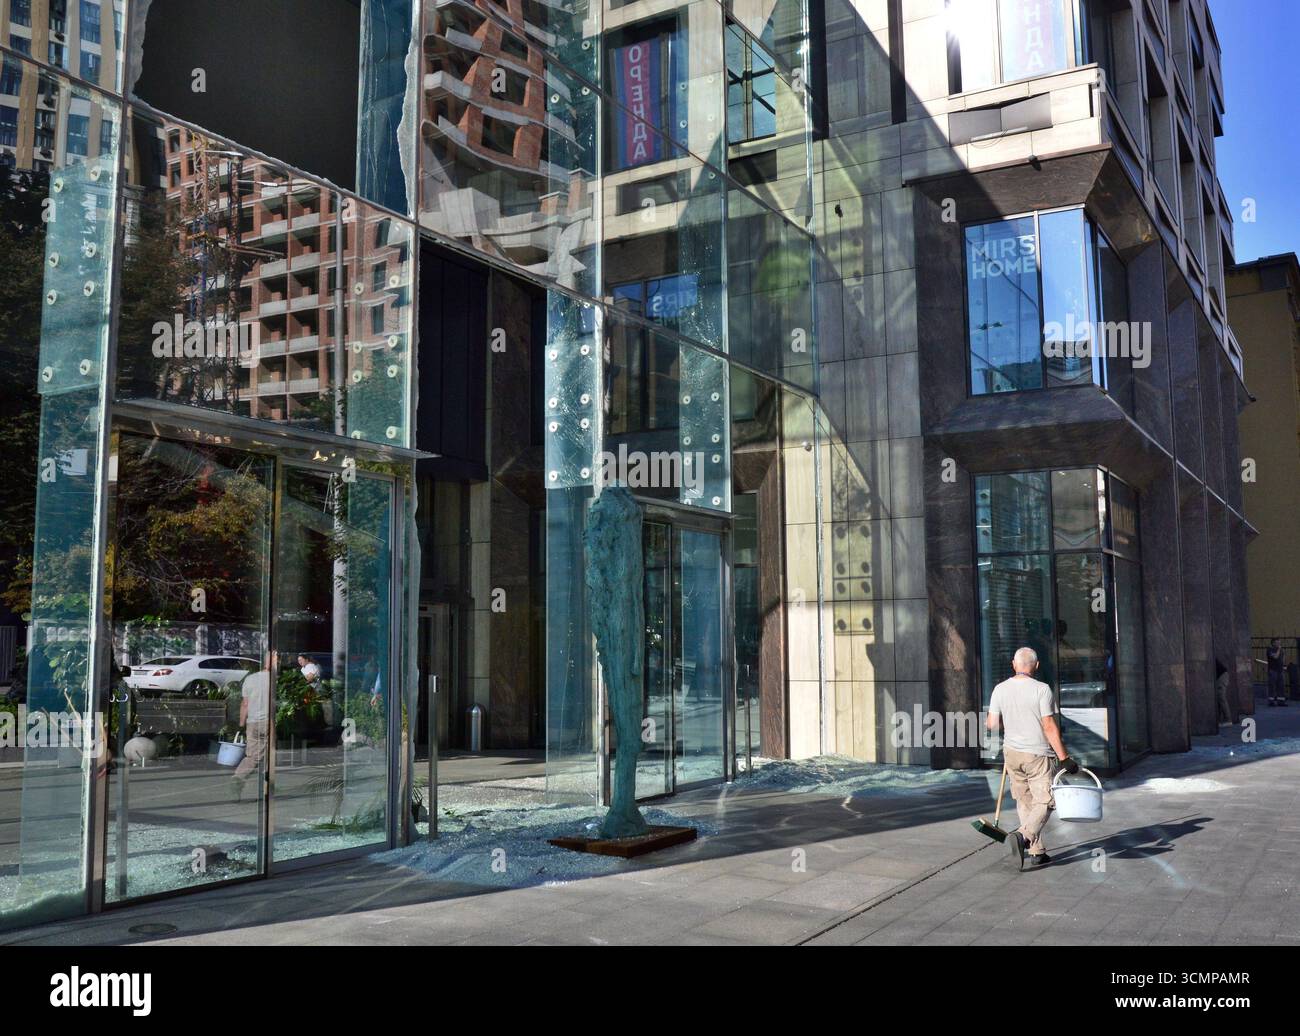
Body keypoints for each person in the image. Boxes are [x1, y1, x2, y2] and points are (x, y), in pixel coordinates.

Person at [985, 647, 1079, 871]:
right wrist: (1064, 758)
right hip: (1036, 754)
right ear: (1036, 666)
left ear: (1013, 664)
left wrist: (1012, 722)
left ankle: (1037, 851)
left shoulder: (1000, 689)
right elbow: (1049, 726)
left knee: (1025, 800)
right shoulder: (1041, 689)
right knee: (1046, 801)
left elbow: (991, 724)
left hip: (1011, 753)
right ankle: (1022, 836)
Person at [233, 653, 271, 800]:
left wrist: (242, 724)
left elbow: (245, 704)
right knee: (263, 757)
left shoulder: (250, 679)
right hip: (268, 722)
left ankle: (259, 788)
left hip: (252, 723)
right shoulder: (275, 680)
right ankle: (239, 778)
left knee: (255, 755)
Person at [1266, 639, 1287, 707]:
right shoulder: (1270, 650)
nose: (1279, 644)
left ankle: (1281, 701)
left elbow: (1282, 658)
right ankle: (1271, 701)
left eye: (1279, 643)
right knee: (1272, 686)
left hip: (1280, 670)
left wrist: (1284, 666)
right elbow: (1275, 657)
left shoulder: (1281, 650)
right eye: (1277, 643)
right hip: (1273, 670)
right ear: (1273, 643)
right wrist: (1278, 650)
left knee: (1281, 686)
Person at [1214, 658, 1234, 726]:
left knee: (1221, 697)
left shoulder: (1210, 657)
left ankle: (1228, 720)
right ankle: (1220, 720)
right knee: (1219, 698)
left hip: (1221, 676)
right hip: (1222, 676)